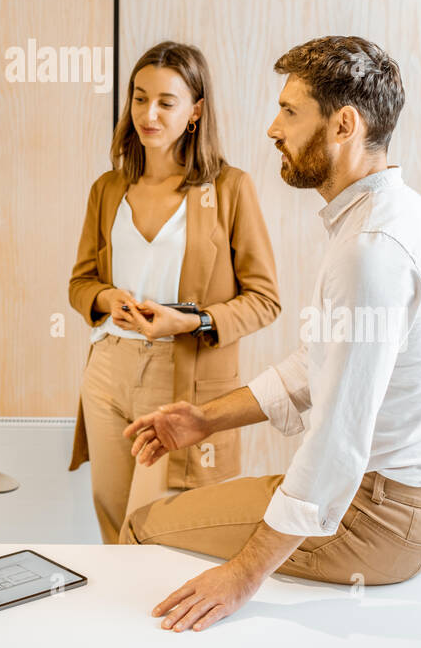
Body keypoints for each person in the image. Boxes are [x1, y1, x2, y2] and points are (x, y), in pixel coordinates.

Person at [121, 36, 421, 632]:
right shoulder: (399, 217)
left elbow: (338, 438)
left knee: (144, 527)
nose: (272, 129)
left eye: (289, 111)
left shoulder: (370, 251)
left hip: (379, 517)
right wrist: (206, 420)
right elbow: (317, 364)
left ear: (344, 125)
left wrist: (243, 575)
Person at [68, 40, 281, 543]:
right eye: (140, 99)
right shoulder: (107, 188)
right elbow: (81, 283)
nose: (149, 114)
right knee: (112, 523)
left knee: (159, 530)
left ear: (195, 111)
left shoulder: (230, 188)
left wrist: (189, 321)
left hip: (179, 378)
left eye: (166, 102)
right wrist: (107, 300)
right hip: (108, 372)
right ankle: (117, 623)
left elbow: (265, 299)